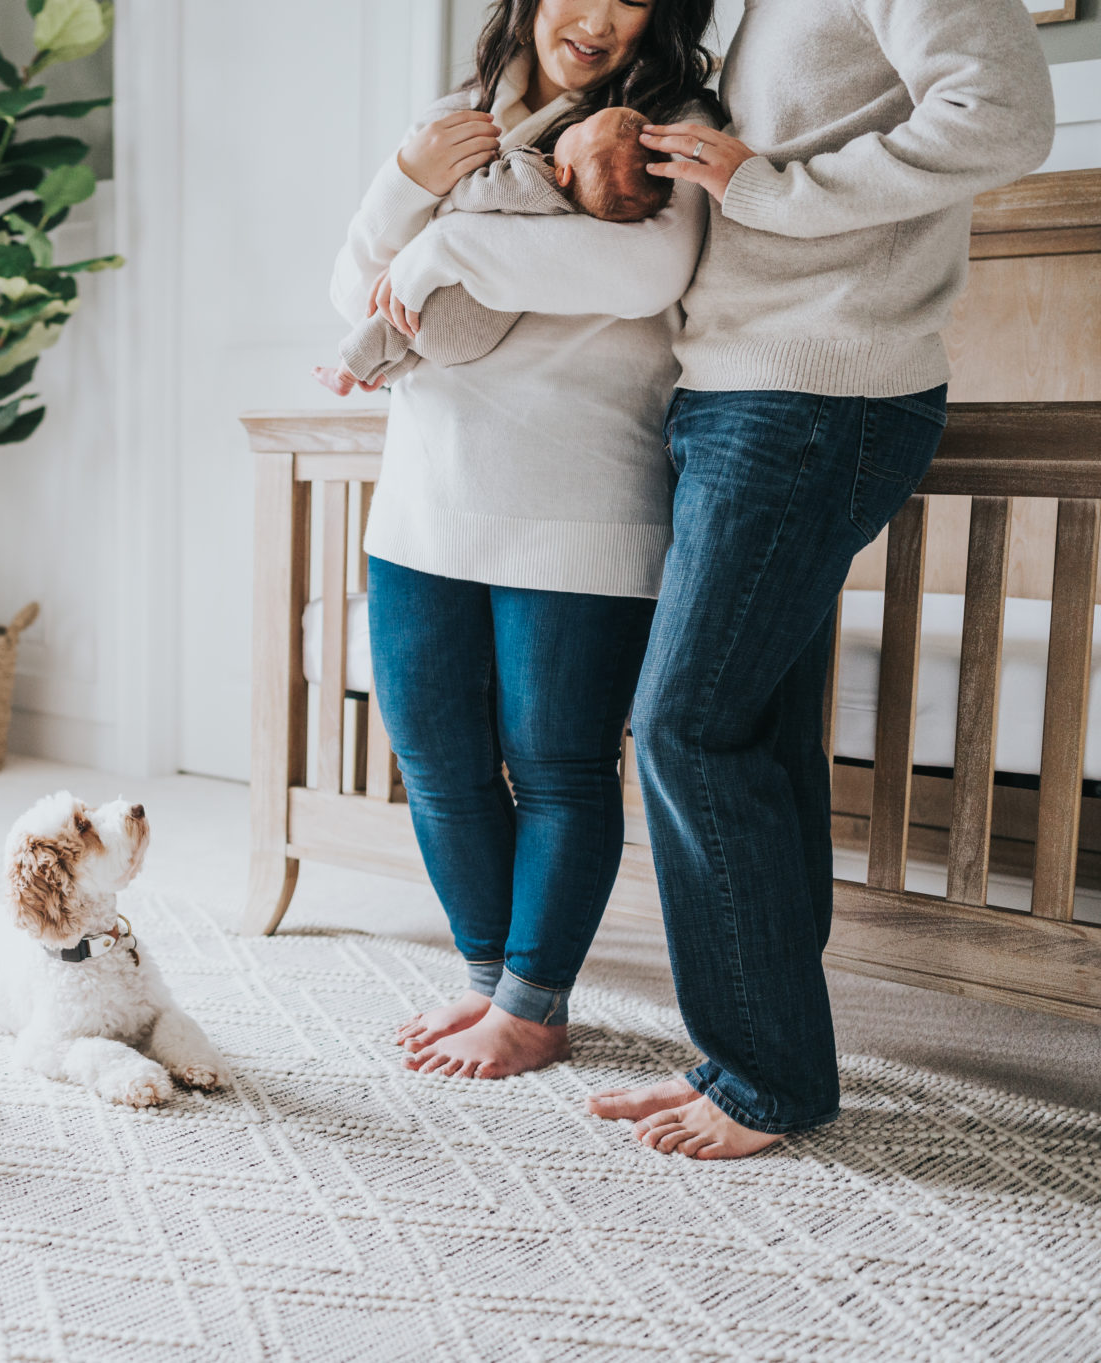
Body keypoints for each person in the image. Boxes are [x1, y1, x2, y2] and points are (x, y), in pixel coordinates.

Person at [587, 0, 1057, 1159]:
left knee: (685, 724)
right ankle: (762, 1055)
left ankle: (765, 1075)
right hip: (733, 387)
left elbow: (1003, 115)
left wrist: (769, 191)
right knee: (754, 731)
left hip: (814, 390)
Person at [330, 0, 722, 1079]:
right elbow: (348, 294)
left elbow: (643, 275)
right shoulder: (454, 123)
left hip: (581, 505)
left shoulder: (673, 121)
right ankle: (486, 982)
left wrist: (444, 247)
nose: (594, 15)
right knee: (438, 763)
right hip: (422, 501)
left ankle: (535, 1003)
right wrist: (405, 183)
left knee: (554, 767)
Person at [318, 106, 674, 396]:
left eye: (581, 128)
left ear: (564, 174)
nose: (577, 122)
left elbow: (474, 194)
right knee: (404, 338)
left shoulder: (534, 182)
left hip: (448, 314)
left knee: (390, 325)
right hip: (474, 336)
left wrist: (479, 173)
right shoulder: (574, 216)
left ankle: (346, 372)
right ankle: (384, 373)